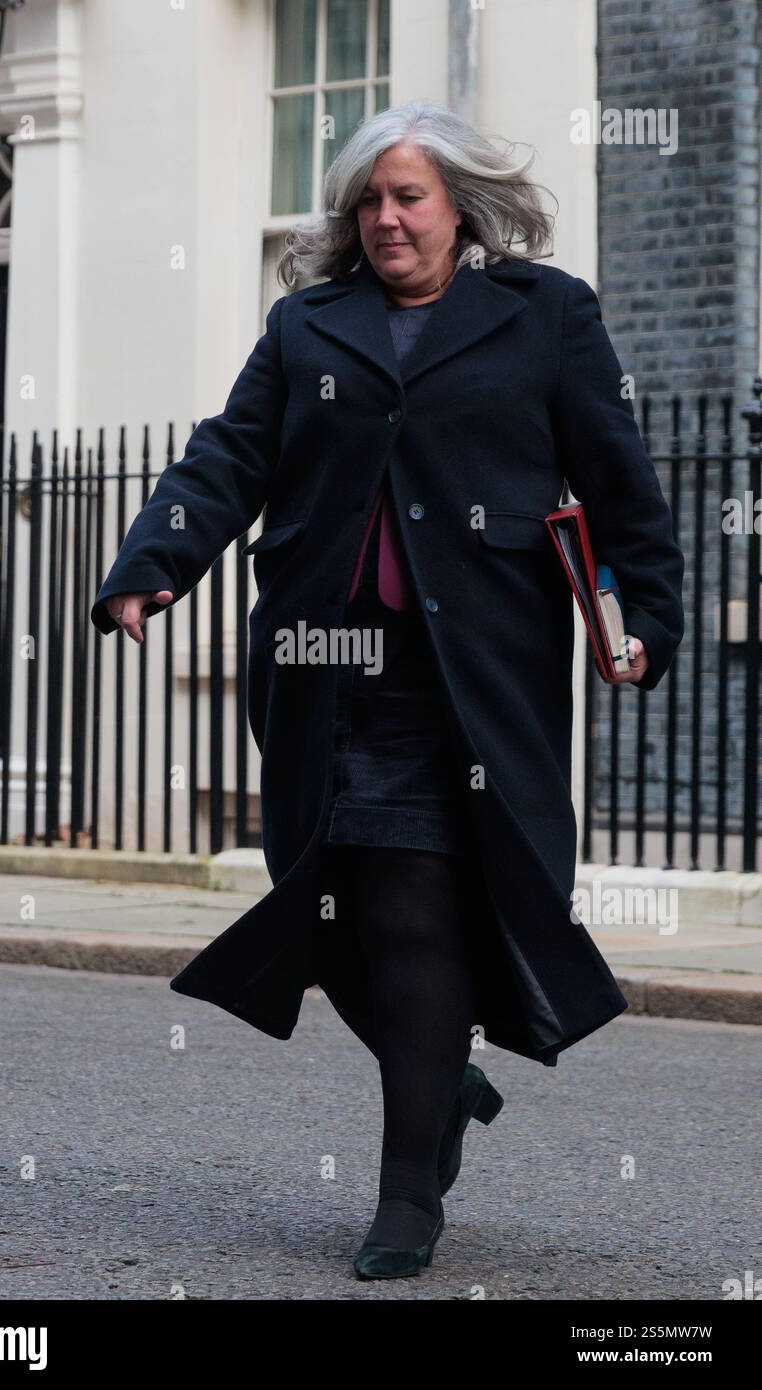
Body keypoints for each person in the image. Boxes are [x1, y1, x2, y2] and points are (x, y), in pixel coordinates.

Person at [91, 101, 684, 1282]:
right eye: (366, 200)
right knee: (329, 908)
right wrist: (151, 564)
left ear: (459, 205)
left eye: (405, 196)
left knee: (412, 901)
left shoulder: (542, 315)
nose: (383, 219)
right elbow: (227, 457)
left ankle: (404, 1194)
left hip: (464, 675)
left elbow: (618, 483)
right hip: (321, 666)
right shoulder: (307, 325)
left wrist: (647, 623)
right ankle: (443, 1083)